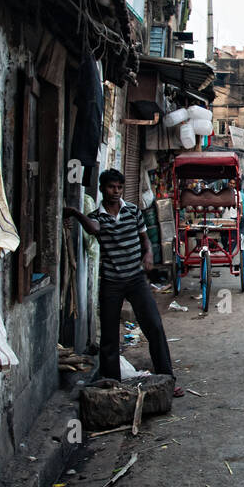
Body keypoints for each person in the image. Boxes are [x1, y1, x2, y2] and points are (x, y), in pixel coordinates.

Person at [64, 169, 181, 395]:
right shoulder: (96, 217)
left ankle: (167, 379)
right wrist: (77, 214)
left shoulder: (133, 211)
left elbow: (145, 240)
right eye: (111, 187)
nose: (116, 192)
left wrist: (148, 255)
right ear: (102, 189)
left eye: (119, 187)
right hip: (112, 282)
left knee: (154, 327)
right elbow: (94, 229)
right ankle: (113, 386)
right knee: (109, 337)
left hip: (136, 279)